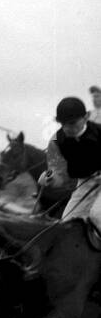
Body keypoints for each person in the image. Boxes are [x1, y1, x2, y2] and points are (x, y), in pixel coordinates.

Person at [44, 96, 101, 237]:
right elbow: (58, 174)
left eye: (72, 122)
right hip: (85, 183)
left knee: (97, 215)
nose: (68, 128)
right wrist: (50, 178)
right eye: (63, 123)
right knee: (67, 223)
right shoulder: (56, 141)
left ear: (86, 116)